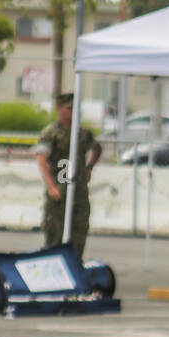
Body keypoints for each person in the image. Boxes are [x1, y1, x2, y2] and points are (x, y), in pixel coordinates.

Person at [35, 93, 101, 259]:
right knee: (55, 233)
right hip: (60, 189)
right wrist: (51, 186)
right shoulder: (51, 133)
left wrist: (89, 167)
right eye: (69, 108)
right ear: (60, 109)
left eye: (75, 108)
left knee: (79, 230)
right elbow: (42, 159)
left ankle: (75, 265)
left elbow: (97, 148)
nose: (73, 112)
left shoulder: (82, 133)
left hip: (79, 190)